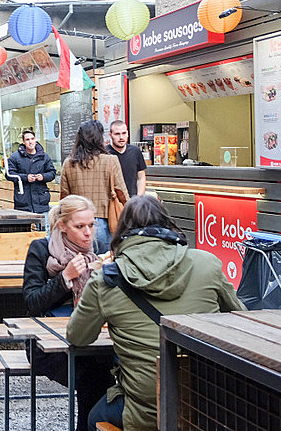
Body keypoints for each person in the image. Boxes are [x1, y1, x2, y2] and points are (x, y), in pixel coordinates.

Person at [67, 195, 245, 431]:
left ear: (122, 230)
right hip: (208, 404)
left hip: (147, 410)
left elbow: (77, 337)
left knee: (94, 418)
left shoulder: (107, 279)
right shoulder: (208, 263)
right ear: (168, 223)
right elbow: (242, 318)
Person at [23, 195, 115, 431]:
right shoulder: (42, 250)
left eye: (92, 225)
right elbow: (32, 303)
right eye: (80, 226)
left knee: (109, 369)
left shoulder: (100, 251)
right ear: (62, 226)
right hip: (46, 345)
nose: (88, 233)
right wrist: (65, 278)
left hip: (92, 337)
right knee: (93, 375)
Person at [60, 120, 129, 254]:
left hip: (77, 224)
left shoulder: (69, 163)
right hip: (105, 222)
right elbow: (121, 192)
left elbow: (64, 198)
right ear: (99, 138)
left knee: (81, 262)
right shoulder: (110, 160)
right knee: (104, 262)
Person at [7, 128, 57, 214]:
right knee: (22, 227)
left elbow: (52, 173)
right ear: (23, 142)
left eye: (32, 139)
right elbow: (9, 174)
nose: (30, 142)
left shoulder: (44, 156)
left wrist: (43, 177)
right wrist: (25, 178)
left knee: (43, 227)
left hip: (41, 200)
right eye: (27, 139)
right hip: (23, 202)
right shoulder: (15, 157)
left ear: (35, 140)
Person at [107, 120, 146, 199]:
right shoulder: (104, 153)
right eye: (117, 134)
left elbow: (141, 177)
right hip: (112, 202)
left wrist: (138, 198)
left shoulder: (135, 151)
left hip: (132, 201)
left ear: (128, 134)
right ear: (110, 135)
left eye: (124, 133)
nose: (121, 137)